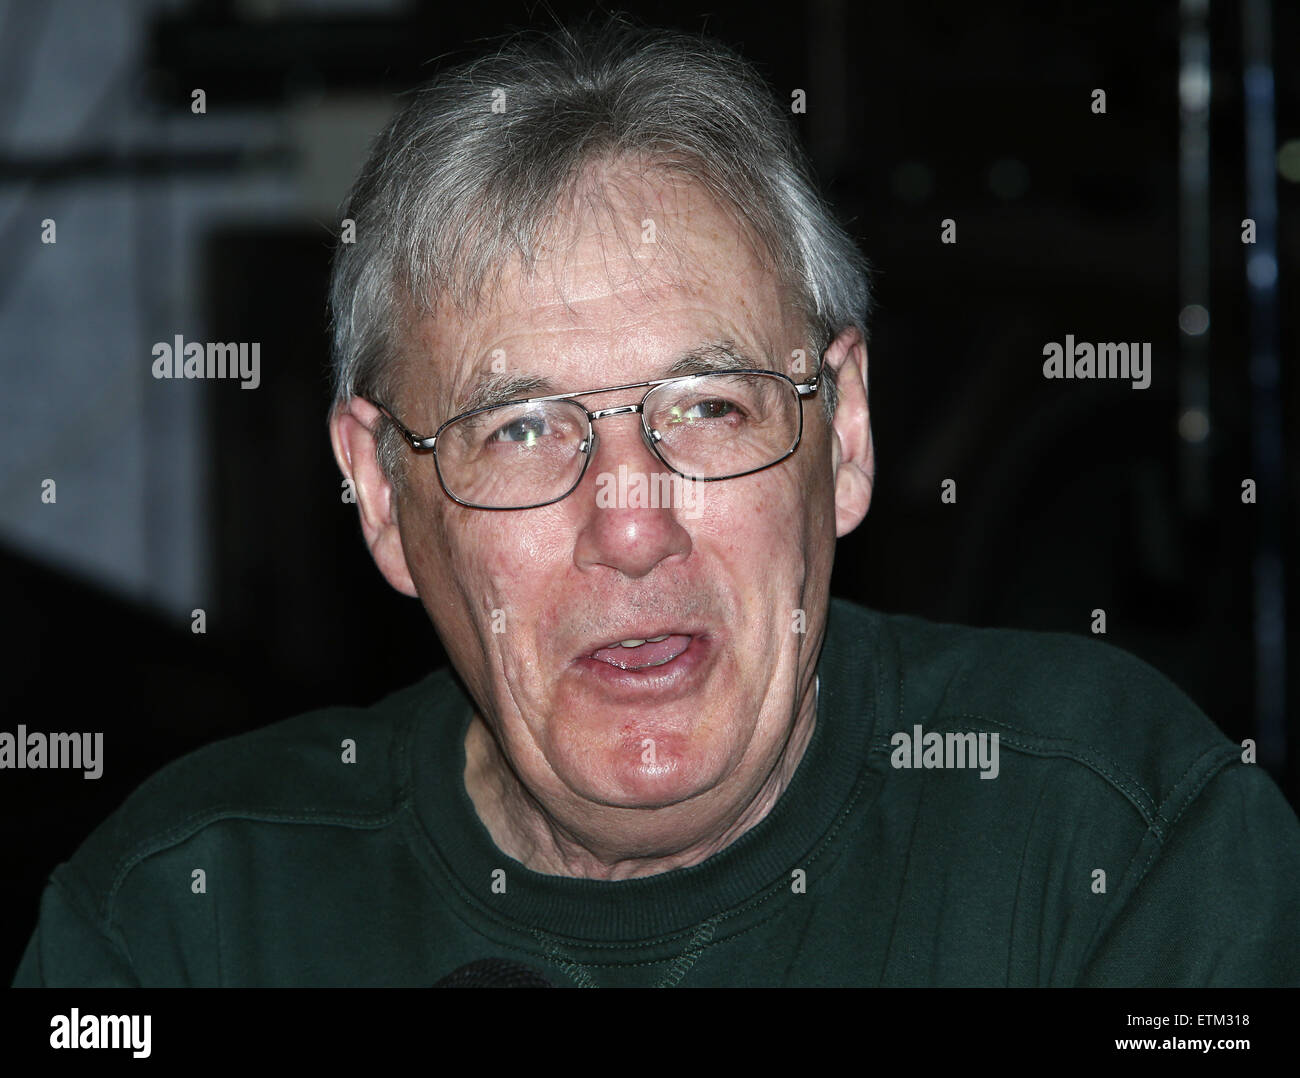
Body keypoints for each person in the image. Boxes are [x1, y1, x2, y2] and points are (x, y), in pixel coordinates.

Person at [14, 16, 1300, 988]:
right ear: (383, 495)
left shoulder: (1119, 842)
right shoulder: (182, 922)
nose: (632, 526)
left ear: (845, 432)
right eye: (521, 430)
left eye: (709, 406)